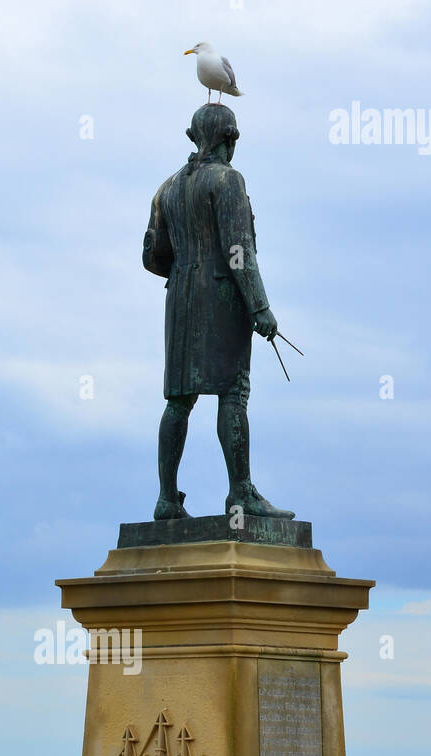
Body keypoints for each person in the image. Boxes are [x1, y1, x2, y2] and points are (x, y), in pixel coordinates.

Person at [143, 103, 292, 521]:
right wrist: (260, 307)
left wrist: (185, 269)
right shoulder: (227, 180)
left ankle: (167, 500)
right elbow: (238, 251)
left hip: (180, 301)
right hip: (222, 298)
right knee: (233, 393)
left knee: (178, 400)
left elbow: (153, 255)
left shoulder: (168, 188)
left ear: (195, 138)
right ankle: (240, 493)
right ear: (229, 139)